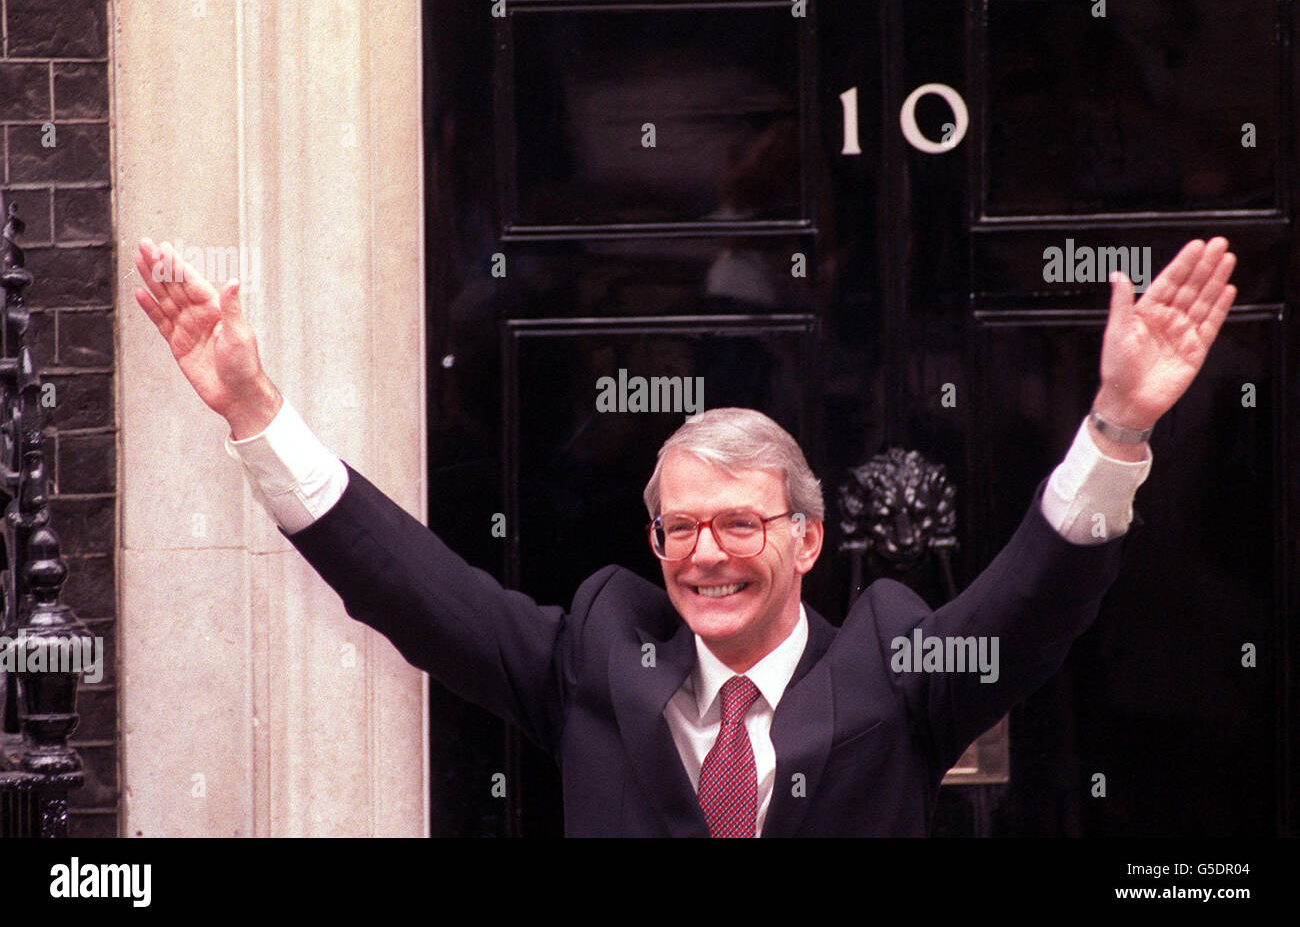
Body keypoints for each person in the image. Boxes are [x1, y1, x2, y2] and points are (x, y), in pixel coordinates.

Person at [132, 236, 1237, 836]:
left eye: (739, 523)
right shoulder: (596, 652)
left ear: (806, 540)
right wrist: (254, 410)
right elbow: (411, 586)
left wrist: (1119, 423)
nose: (705, 553)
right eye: (681, 527)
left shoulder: (899, 664)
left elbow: (1037, 597)